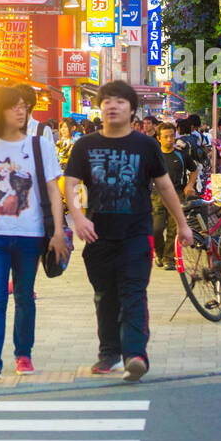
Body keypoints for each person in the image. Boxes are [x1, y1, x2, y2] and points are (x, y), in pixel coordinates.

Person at [65, 81, 194, 382]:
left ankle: (135, 355)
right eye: (107, 101)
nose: (112, 106)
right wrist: (78, 218)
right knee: (104, 296)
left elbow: (164, 186)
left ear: (132, 110)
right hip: (98, 236)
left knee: (133, 292)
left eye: (120, 101)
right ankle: (108, 353)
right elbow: (69, 183)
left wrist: (183, 224)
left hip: (136, 233)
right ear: (100, 108)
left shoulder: (146, 145)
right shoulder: (85, 145)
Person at [0, 85, 68, 380]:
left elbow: (52, 189)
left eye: (24, 106)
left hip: (30, 234)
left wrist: (59, 231)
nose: (22, 111)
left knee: (24, 296)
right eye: (14, 106)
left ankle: (23, 354)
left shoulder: (39, 146)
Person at [153, 122, 198, 270]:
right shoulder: (154, 155)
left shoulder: (181, 154)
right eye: (166, 137)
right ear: (159, 138)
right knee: (156, 228)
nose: (169, 139)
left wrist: (189, 185)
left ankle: (169, 258)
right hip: (157, 195)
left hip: (177, 194)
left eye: (172, 136)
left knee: (174, 228)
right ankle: (159, 253)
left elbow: (194, 170)